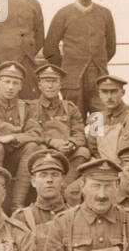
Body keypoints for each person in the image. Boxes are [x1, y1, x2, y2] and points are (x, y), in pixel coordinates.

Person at [42, 0, 116, 114]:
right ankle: (78, 138)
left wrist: (97, 64)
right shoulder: (63, 14)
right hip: (72, 78)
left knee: (98, 117)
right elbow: (50, 48)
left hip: (98, 77)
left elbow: (111, 47)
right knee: (75, 116)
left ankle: (94, 138)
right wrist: (65, 68)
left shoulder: (104, 14)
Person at [0, 61, 43, 213]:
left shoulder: (26, 107)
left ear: (21, 86)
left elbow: (36, 134)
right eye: (7, 82)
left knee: (32, 146)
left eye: (15, 83)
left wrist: (12, 137)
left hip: (17, 157)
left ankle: (17, 205)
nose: (10, 87)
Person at [31, 62, 90, 200]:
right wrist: (53, 142)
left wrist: (71, 143)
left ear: (60, 84)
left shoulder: (70, 107)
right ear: (39, 85)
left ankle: (63, 188)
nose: (50, 86)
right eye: (46, 81)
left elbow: (79, 133)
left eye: (54, 81)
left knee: (84, 151)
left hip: (67, 153)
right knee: (34, 147)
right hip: (43, 153)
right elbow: (33, 133)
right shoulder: (31, 107)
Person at [13, 149, 71, 238]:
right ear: (33, 181)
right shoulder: (22, 218)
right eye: (43, 175)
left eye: (55, 175)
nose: (49, 180)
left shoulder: (75, 215)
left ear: (62, 180)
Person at [87, 74, 129, 163]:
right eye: (104, 92)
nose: (109, 97)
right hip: (103, 167)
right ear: (99, 94)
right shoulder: (96, 118)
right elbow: (93, 149)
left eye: (113, 91)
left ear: (122, 92)